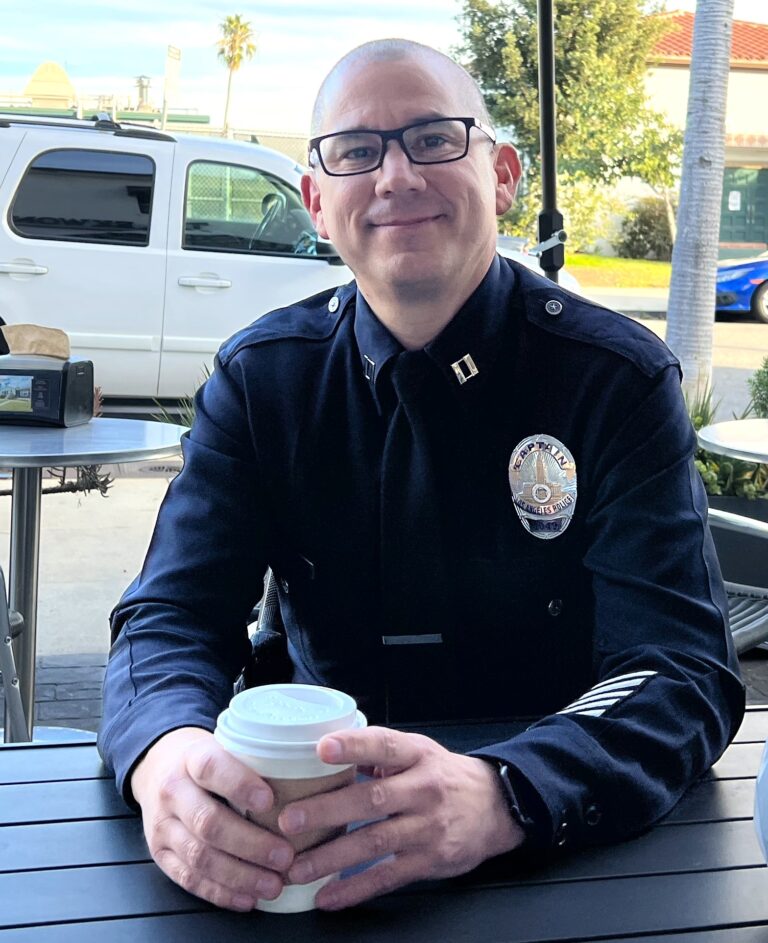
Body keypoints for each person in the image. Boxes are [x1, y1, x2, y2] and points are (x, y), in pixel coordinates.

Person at [99, 39, 745, 914]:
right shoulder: (261, 382)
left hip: (564, 845)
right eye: (358, 151)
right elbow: (169, 616)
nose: (396, 175)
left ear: (504, 174)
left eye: (433, 138)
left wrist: (504, 790)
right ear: (318, 203)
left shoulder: (614, 382)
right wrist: (167, 755)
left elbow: (678, 667)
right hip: (297, 846)